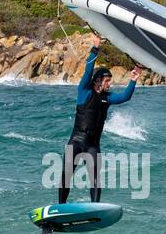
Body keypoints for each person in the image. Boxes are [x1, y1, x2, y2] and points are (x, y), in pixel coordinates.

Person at [58, 36, 140, 203]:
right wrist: (95, 48)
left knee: (95, 178)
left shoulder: (107, 98)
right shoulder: (84, 92)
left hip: (93, 144)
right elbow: (88, 70)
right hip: (76, 140)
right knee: (66, 174)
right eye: (107, 81)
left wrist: (133, 79)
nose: (109, 84)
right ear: (98, 81)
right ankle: (60, 206)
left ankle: (95, 207)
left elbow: (125, 97)